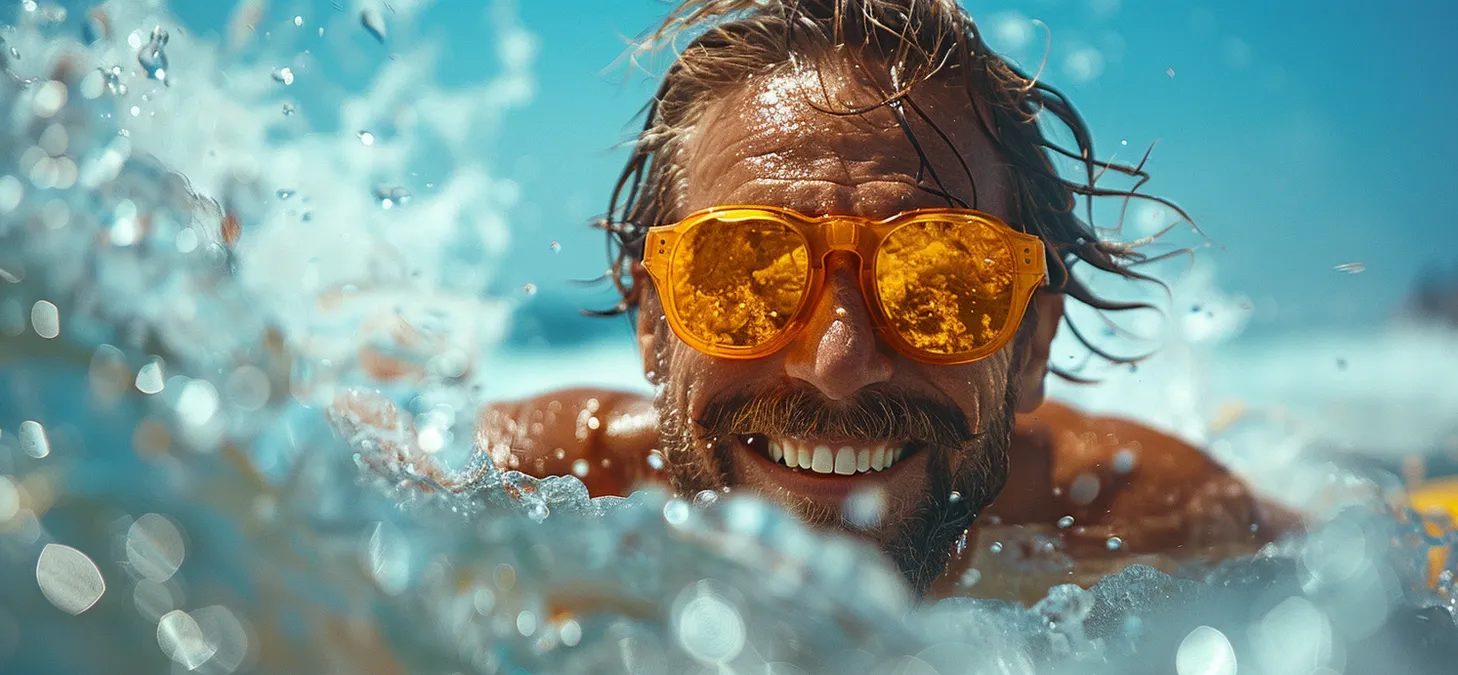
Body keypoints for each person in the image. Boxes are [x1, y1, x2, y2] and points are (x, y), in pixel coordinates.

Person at [339, 0, 1300, 599]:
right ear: (652, 322)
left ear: (1033, 341)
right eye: (746, 273)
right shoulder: (538, 493)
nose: (839, 362)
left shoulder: (1154, 528)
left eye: (940, 281)